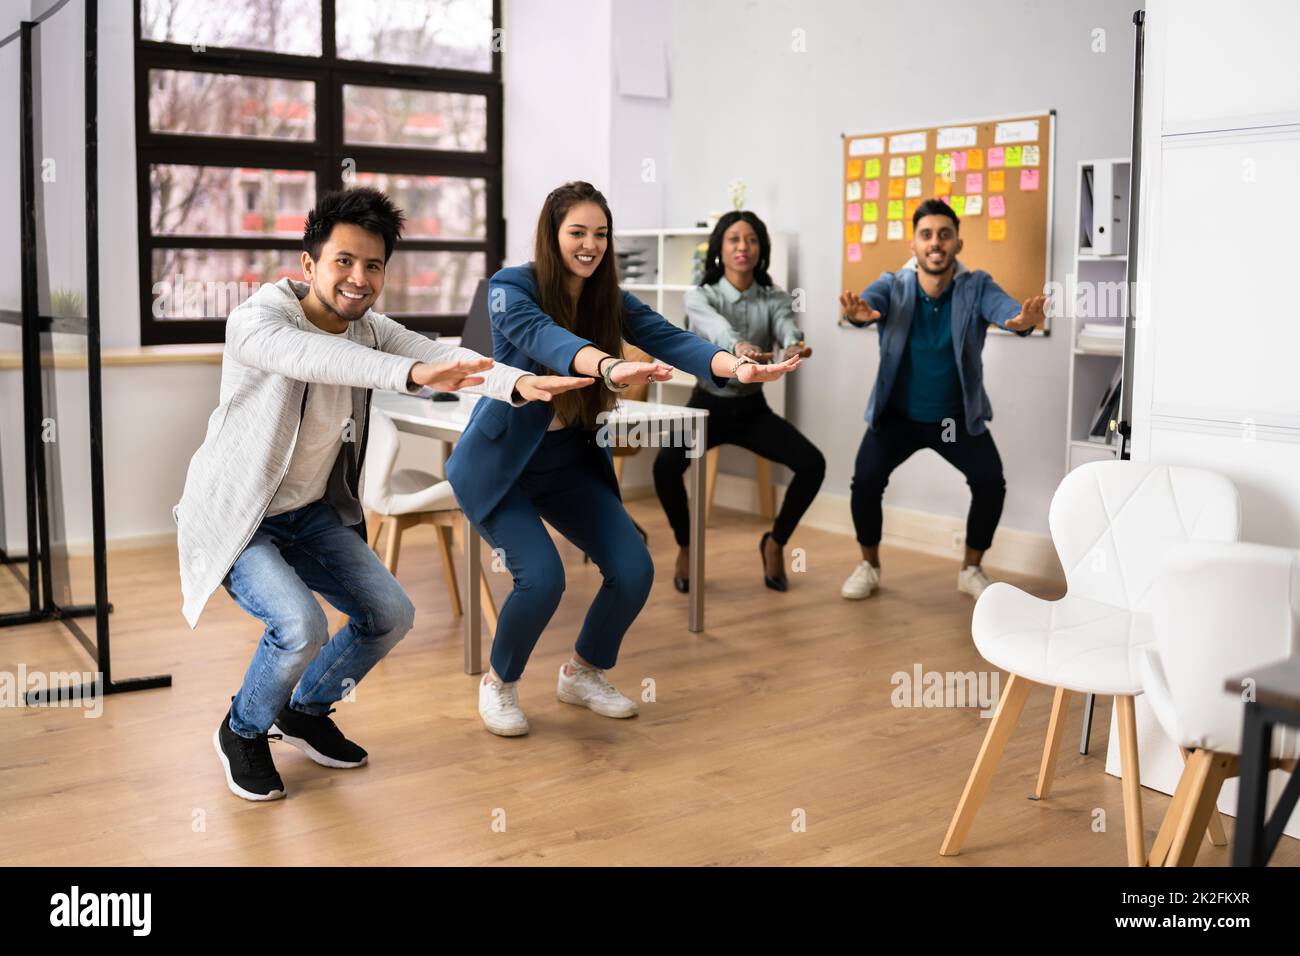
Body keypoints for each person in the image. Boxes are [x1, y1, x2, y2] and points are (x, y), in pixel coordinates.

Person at [175, 187, 589, 801]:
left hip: (309, 513)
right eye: (343, 261)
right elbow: (315, 358)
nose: (359, 278)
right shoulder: (258, 320)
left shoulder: (367, 330)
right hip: (242, 517)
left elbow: (444, 355)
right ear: (310, 264)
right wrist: (413, 375)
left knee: (390, 615)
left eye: (373, 265)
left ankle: (306, 711)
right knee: (299, 624)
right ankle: (243, 728)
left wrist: (522, 382)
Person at [446, 181, 802, 737]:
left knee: (634, 566)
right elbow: (543, 337)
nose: (590, 245)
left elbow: (669, 338)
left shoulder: (609, 297)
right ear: (551, 234)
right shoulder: (510, 287)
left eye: (601, 234)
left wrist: (738, 368)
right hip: (502, 465)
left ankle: (582, 672)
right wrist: (608, 367)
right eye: (577, 233)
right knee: (542, 578)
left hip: (567, 460)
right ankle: (499, 683)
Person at [838, 198, 1047, 602]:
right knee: (865, 482)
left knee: (990, 483)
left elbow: (1005, 310)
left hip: (953, 422)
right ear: (913, 246)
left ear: (958, 244)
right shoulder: (893, 285)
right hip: (897, 418)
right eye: (927, 235)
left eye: (944, 235)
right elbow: (869, 303)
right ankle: (869, 565)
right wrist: (858, 314)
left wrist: (1019, 321)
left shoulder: (976, 286)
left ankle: (971, 569)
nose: (936, 242)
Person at [652, 211, 824, 592]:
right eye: (733, 239)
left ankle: (775, 543)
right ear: (719, 248)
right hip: (705, 406)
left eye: (751, 239)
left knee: (813, 465)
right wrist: (738, 347)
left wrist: (794, 342)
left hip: (751, 409)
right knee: (665, 467)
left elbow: (784, 324)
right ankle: (686, 546)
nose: (742, 247)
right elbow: (714, 327)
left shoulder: (774, 296)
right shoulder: (700, 295)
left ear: (761, 249)